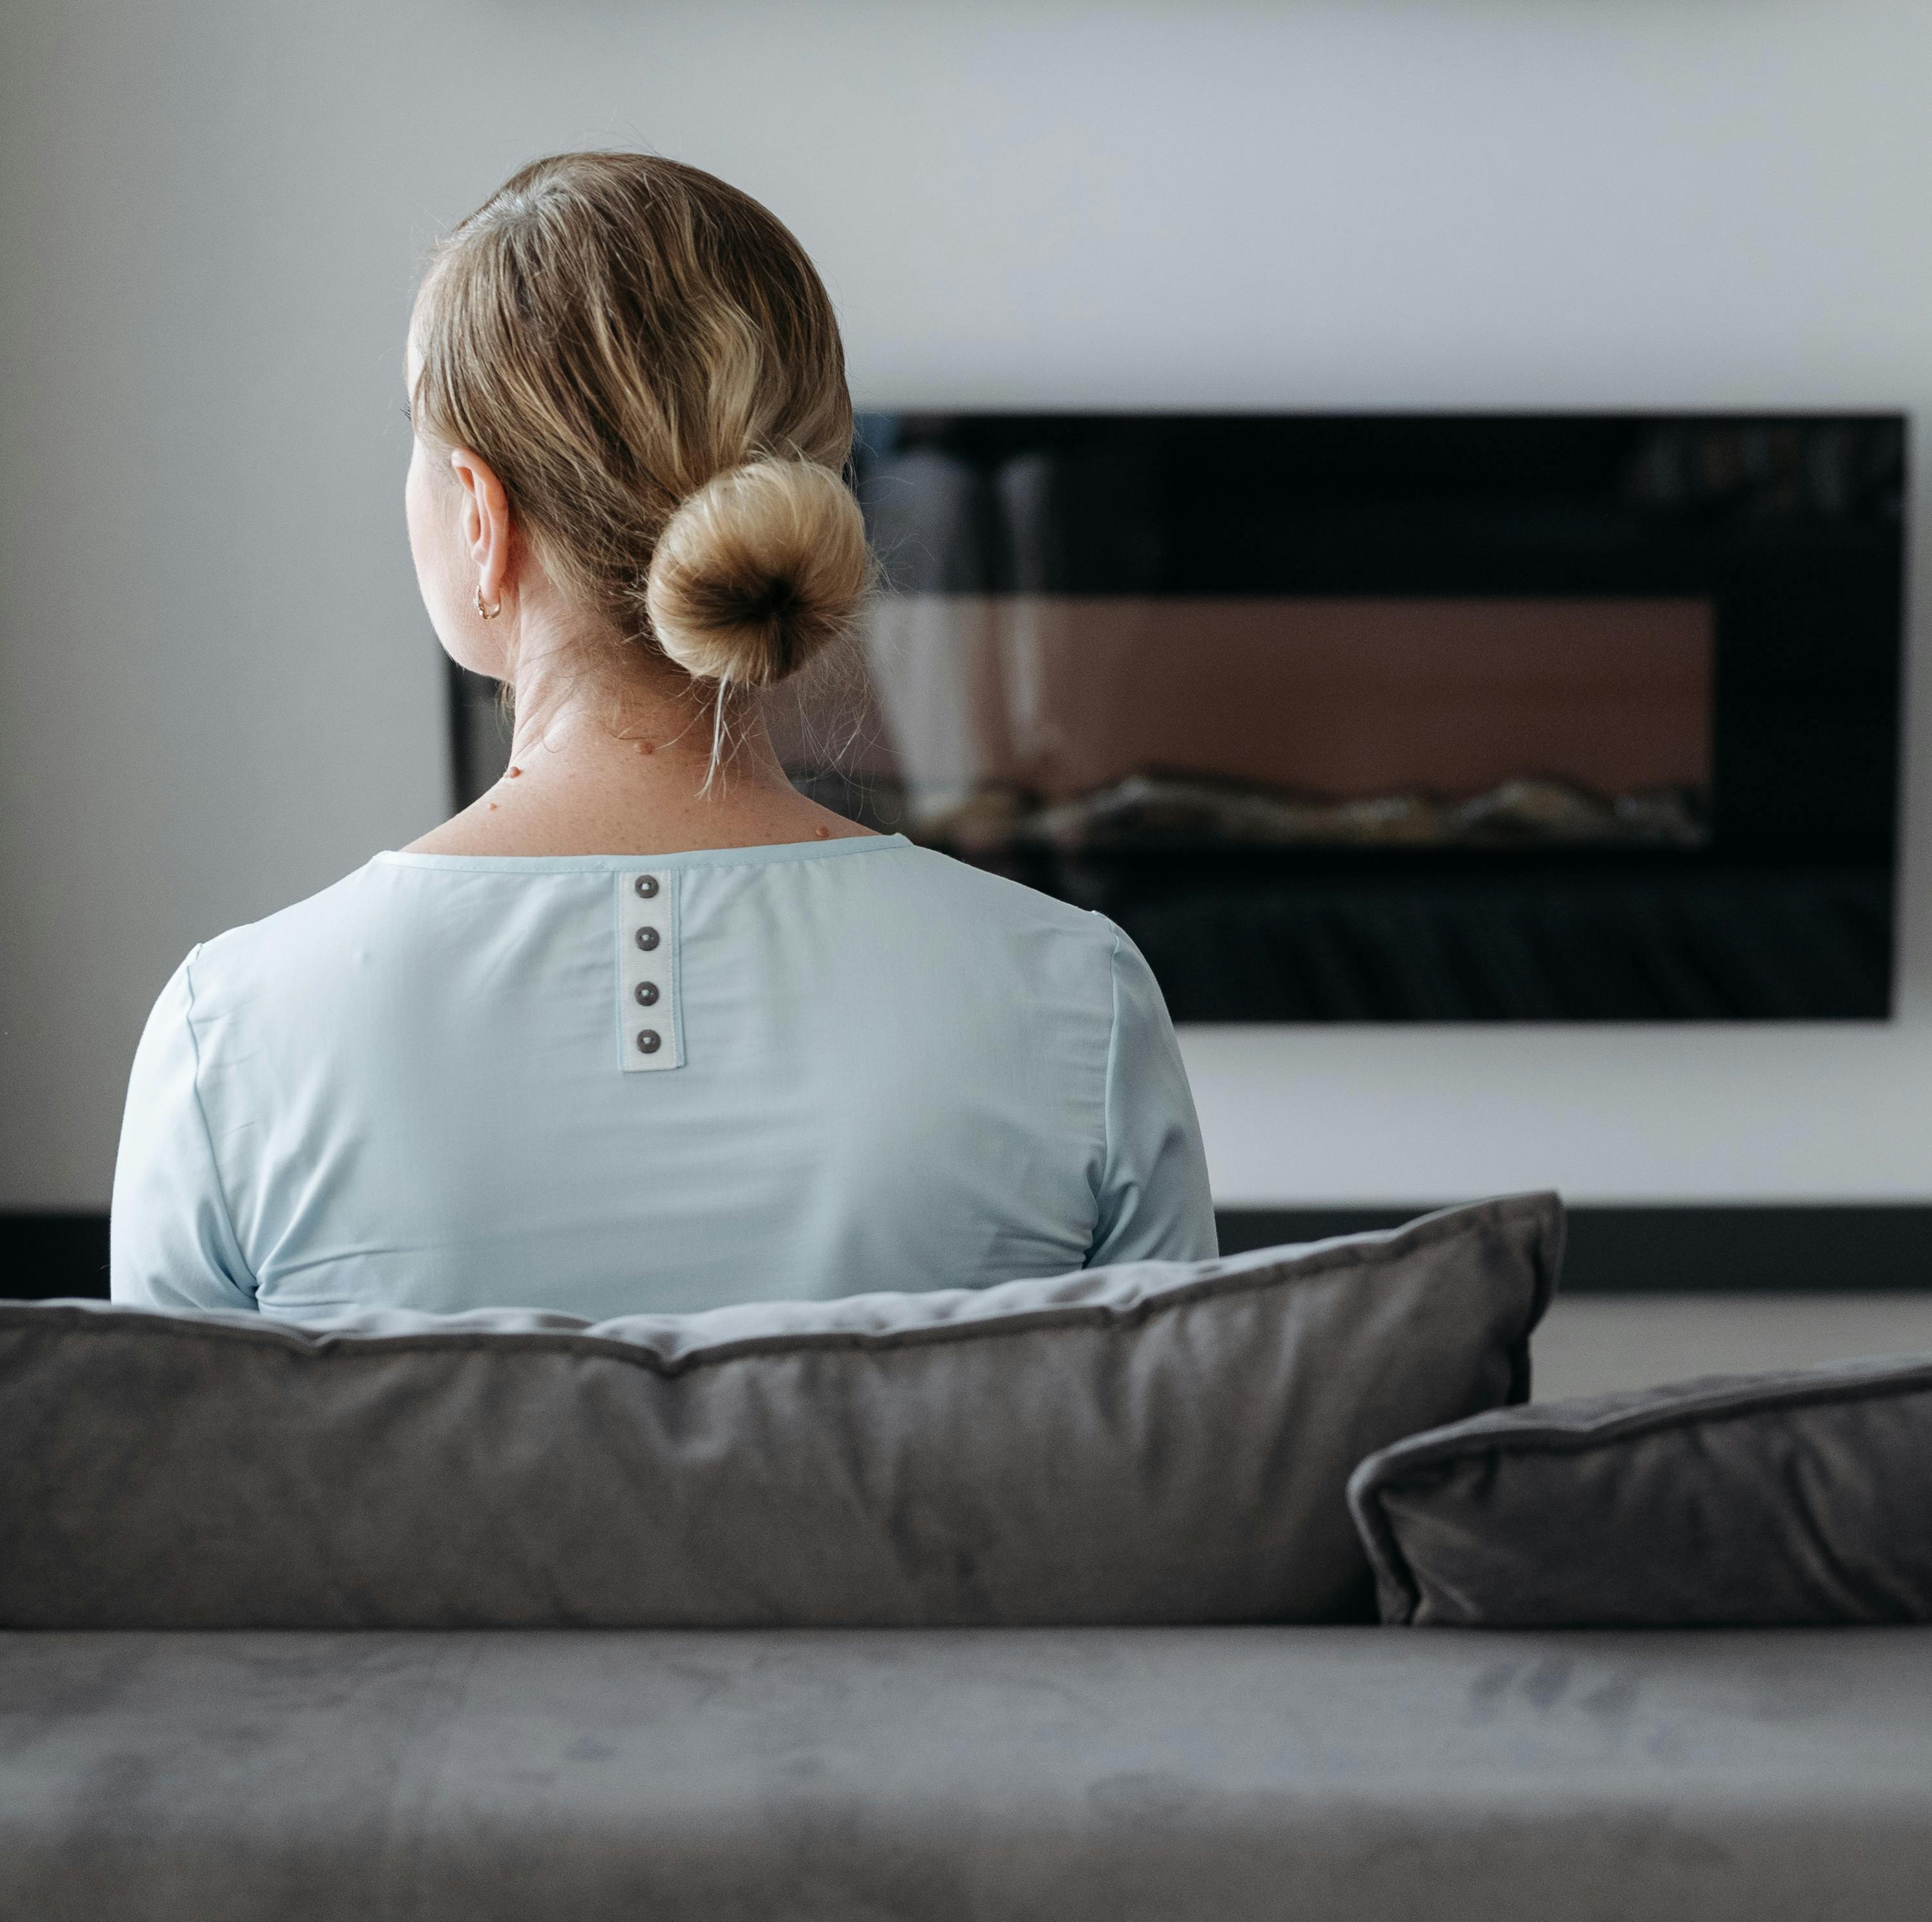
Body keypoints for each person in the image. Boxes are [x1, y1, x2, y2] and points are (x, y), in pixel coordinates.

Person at [108, 153, 1213, 1320]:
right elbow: (1168, 1479)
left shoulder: (228, 1035)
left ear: (481, 517)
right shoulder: (1077, 1001)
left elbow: (181, 1499)